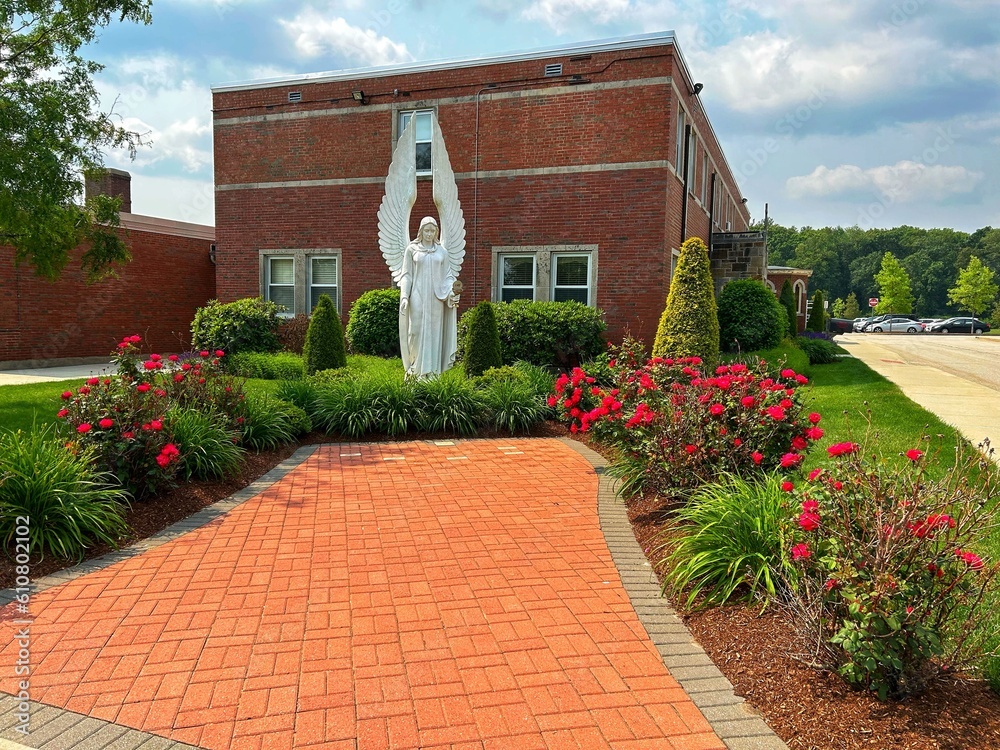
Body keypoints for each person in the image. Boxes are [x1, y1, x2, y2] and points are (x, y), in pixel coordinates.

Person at [398, 217, 461, 378]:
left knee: (434, 333)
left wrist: (451, 292)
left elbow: (448, 276)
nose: (429, 234)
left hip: (436, 299)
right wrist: (404, 296)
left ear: (436, 232)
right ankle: (415, 370)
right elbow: (406, 275)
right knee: (415, 332)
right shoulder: (412, 250)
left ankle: (432, 373)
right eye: (426, 230)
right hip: (417, 296)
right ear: (420, 231)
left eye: (432, 231)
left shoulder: (442, 252)